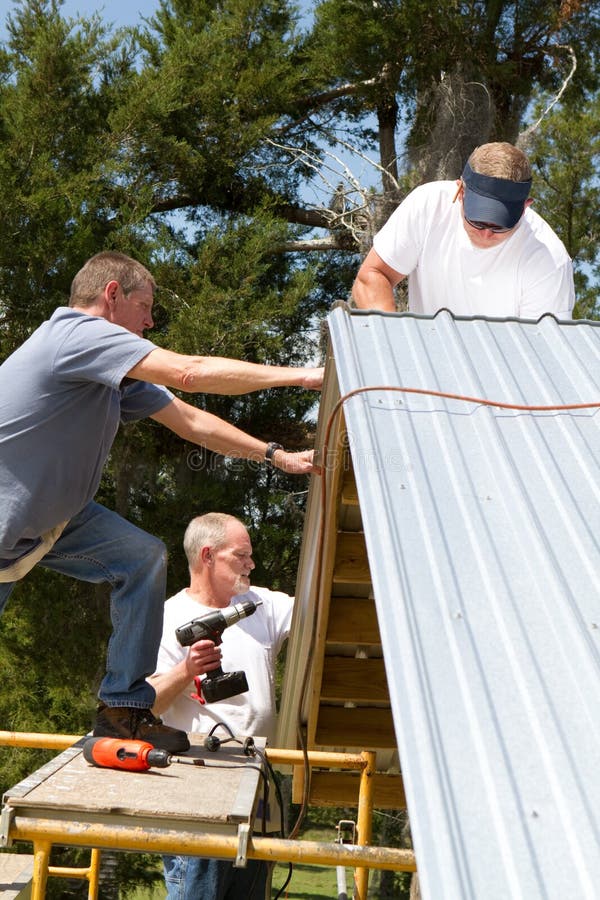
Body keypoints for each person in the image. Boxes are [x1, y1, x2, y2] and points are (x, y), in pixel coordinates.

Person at [0, 251, 320, 754]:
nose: (149, 322)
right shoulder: (76, 334)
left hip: (48, 524)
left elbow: (191, 422)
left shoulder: (109, 375)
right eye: (145, 307)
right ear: (112, 295)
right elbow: (189, 372)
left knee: (141, 557)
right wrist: (301, 376)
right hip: (9, 523)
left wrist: (274, 455)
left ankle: (123, 709)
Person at [149, 512, 293, 900]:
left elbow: (316, 611)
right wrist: (186, 670)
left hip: (259, 796)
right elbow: (146, 705)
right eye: (241, 555)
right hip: (199, 800)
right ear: (208, 555)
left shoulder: (260, 604)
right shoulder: (167, 617)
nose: (251, 564)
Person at [352, 141, 575, 320]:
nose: (486, 233)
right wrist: (392, 339)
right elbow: (372, 276)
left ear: (525, 207)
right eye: (477, 220)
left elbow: (540, 350)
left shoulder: (548, 259)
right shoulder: (428, 206)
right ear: (460, 192)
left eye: (500, 225)